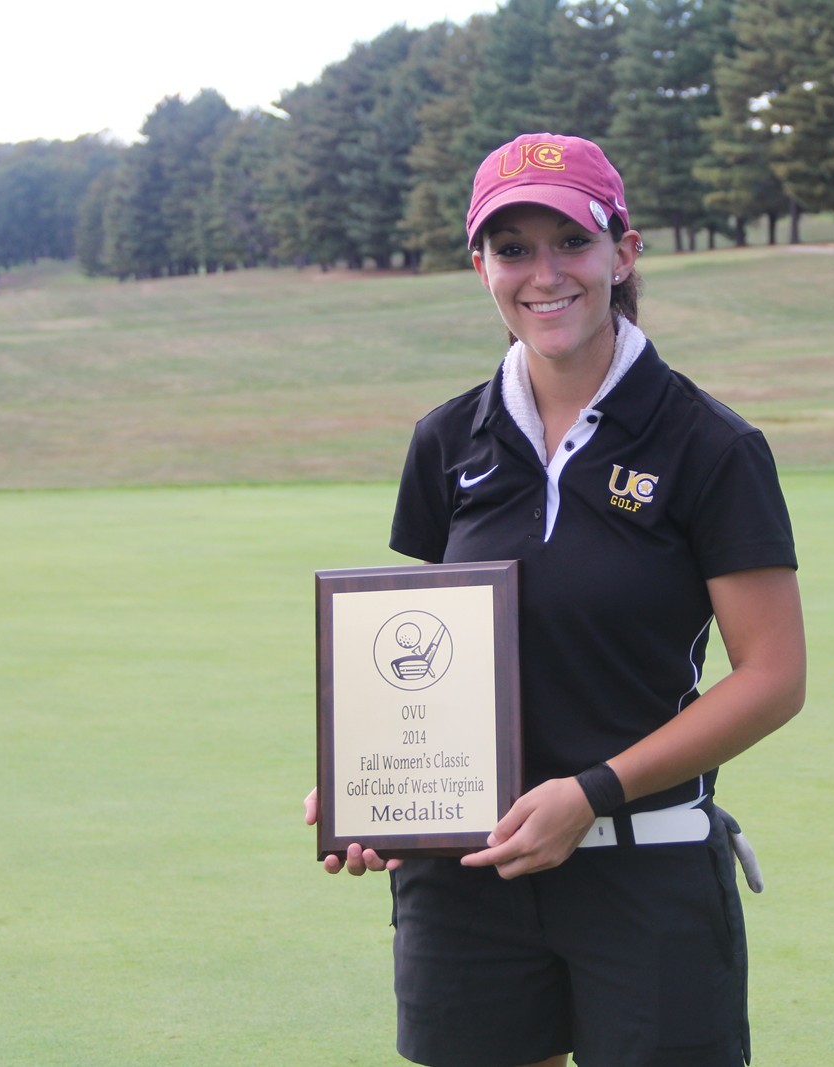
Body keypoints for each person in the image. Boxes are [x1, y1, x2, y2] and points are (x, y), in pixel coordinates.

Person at [304, 132, 806, 1067]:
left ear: (623, 252)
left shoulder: (709, 444)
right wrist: (372, 787)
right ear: (481, 267)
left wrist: (592, 792)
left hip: (643, 867)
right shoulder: (447, 439)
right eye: (513, 249)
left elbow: (773, 678)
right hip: (467, 879)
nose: (544, 274)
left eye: (570, 242)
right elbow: (432, 654)